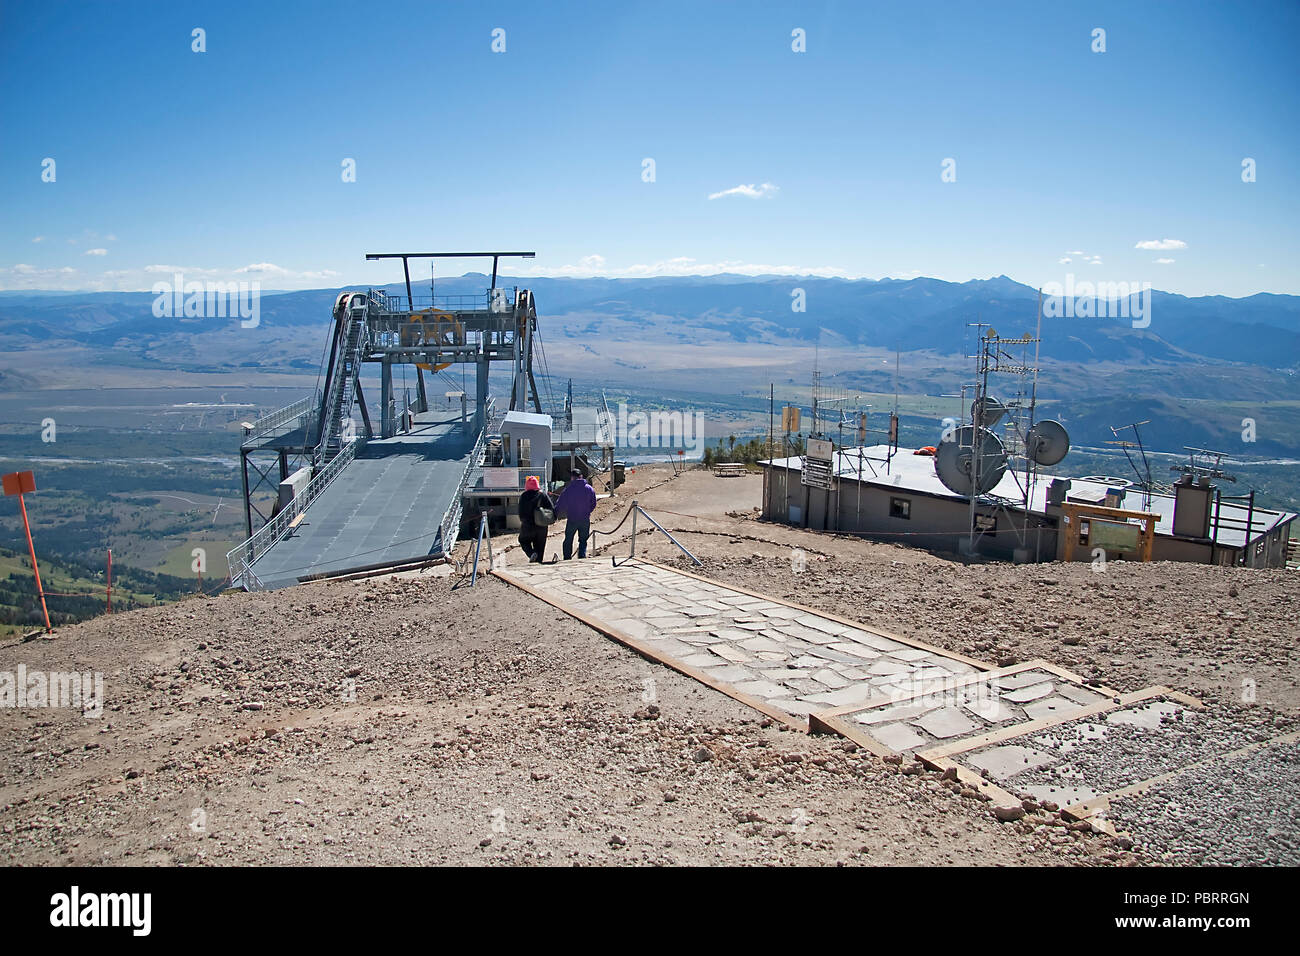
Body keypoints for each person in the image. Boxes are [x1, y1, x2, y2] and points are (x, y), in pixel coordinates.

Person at [553, 468, 598, 559]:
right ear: (581, 476)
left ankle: (567, 558)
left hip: (572, 519)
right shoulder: (589, 489)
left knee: (568, 540)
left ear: (572, 478)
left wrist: (555, 514)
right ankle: (581, 556)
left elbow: (560, 504)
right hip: (585, 519)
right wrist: (587, 511)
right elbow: (593, 503)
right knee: (583, 540)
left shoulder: (568, 489)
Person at [517, 475, 553, 563]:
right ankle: (538, 562)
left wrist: (524, 520)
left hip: (527, 526)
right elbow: (551, 508)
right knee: (540, 546)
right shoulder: (542, 495)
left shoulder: (523, 496)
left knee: (523, 540)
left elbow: (520, 512)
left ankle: (531, 553)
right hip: (542, 526)